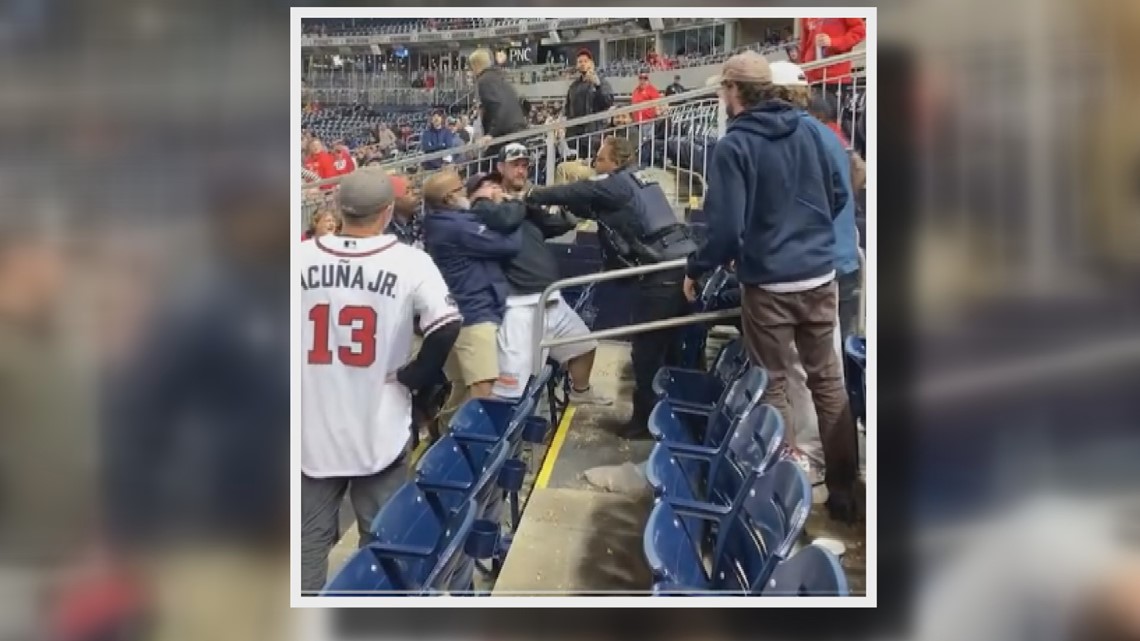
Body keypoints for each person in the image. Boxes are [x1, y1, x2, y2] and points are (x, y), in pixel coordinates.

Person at [682, 52, 860, 524]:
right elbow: (840, 195)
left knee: (776, 383)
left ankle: (787, 490)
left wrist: (696, 268)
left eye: (723, 88)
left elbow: (724, 232)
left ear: (735, 91)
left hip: (770, 284)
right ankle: (844, 490)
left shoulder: (734, 146)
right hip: (821, 278)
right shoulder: (811, 130)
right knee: (828, 383)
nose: (722, 96)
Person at [299, 168, 462, 591]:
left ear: (337, 208)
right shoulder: (410, 260)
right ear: (388, 211)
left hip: (310, 423)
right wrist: (416, 375)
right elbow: (446, 326)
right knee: (382, 540)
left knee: (307, 543)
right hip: (380, 418)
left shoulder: (300, 256)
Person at [525, 136, 695, 438]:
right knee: (672, 350)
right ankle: (676, 418)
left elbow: (581, 190)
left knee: (646, 353)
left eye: (600, 159)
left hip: (662, 274)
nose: (594, 165)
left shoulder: (616, 182)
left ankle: (644, 424)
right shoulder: (640, 180)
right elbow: (597, 207)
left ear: (615, 162)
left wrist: (534, 194)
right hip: (679, 265)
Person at [467, 144, 610, 405]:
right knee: (513, 386)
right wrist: (524, 200)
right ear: (500, 168)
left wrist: (572, 209)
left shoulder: (524, 205)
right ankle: (508, 437)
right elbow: (506, 220)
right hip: (518, 304)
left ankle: (580, 392)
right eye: (515, 165)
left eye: (524, 165)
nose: (521, 170)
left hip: (549, 296)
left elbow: (553, 225)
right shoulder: (484, 204)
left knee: (584, 345)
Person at [420, 169, 520, 418]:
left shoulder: (444, 221)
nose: (465, 191)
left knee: (463, 386)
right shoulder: (455, 227)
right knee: (483, 388)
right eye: (459, 189)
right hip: (473, 315)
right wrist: (511, 210)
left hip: (460, 312)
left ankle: (443, 432)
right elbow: (509, 245)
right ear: (448, 199)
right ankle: (470, 449)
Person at [469, 48, 528, 162]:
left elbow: (498, 106)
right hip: (516, 131)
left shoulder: (484, 81)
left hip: (505, 135)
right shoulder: (499, 77)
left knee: (482, 172)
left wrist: (491, 134)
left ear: (476, 65)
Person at [563, 48, 614, 159]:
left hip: (594, 131)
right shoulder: (573, 86)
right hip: (575, 134)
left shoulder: (601, 82)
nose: (582, 64)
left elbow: (607, 102)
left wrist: (597, 85)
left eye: (585, 61)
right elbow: (568, 108)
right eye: (580, 62)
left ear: (591, 64)